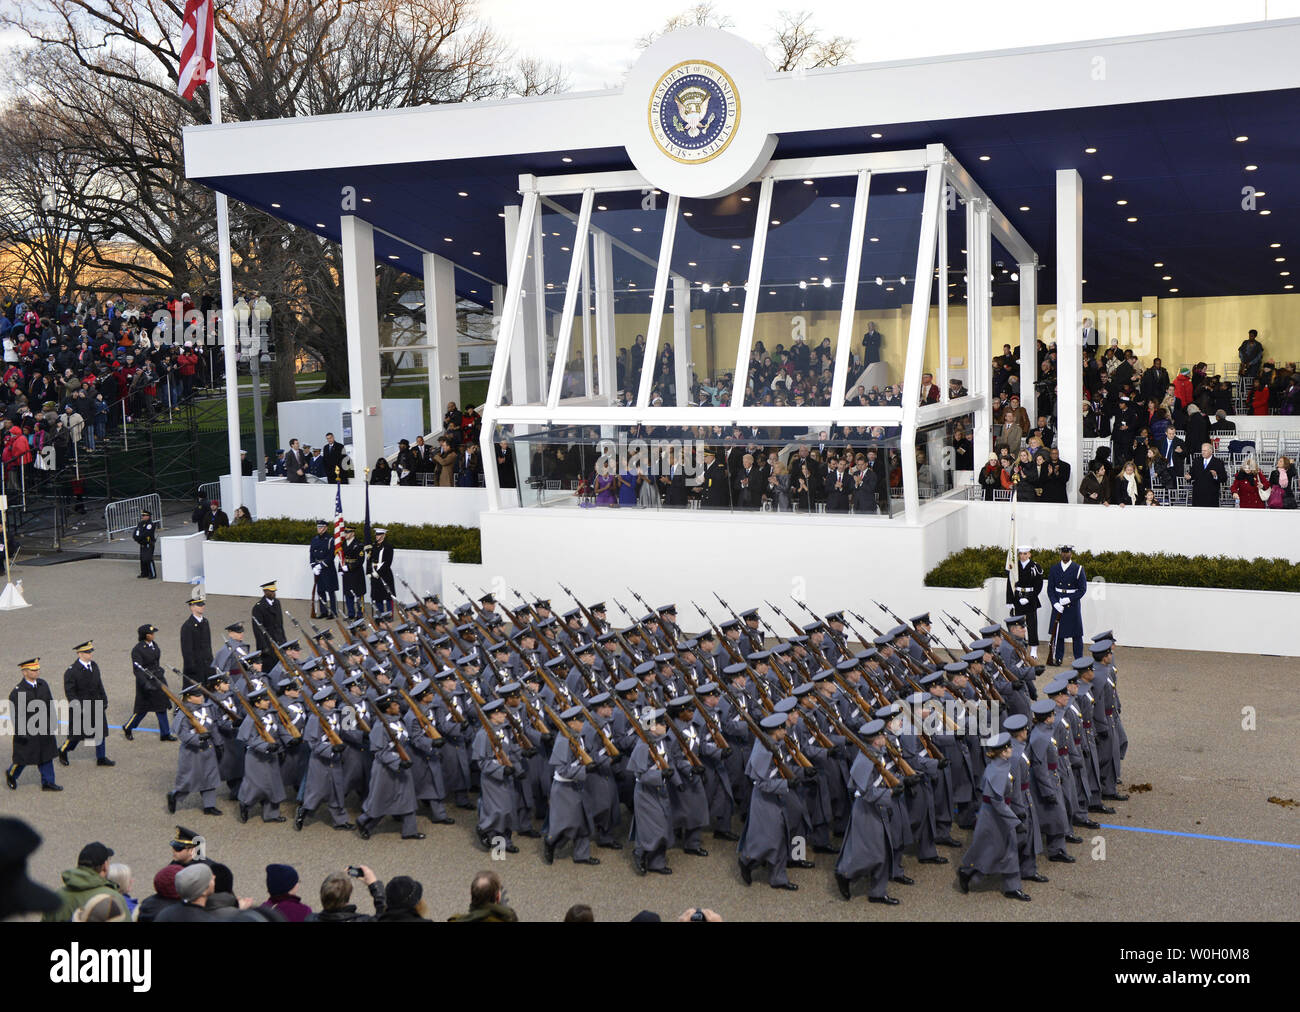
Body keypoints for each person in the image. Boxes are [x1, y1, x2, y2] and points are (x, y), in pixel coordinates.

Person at [956, 732, 1031, 901]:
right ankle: (968, 871)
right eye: (1009, 747)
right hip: (993, 817)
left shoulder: (1001, 765)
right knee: (988, 849)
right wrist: (1015, 821)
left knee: (1009, 848)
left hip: (1000, 814)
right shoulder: (996, 771)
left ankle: (1012, 886)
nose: (1012, 749)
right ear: (1003, 752)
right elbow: (997, 802)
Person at [833, 718, 900, 904]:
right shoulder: (865, 759)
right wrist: (892, 793)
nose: (885, 737)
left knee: (883, 851)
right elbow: (868, 792)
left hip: (879, 808)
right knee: (872, 852)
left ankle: (878, 892)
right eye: (882, 735)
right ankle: (846, 874)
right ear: (876, 740)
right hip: (867, 811)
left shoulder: (878, 753)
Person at [357, 692, 424, 840]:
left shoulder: (398, 721)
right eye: (394, 705)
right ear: (387, 709)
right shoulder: (380, 727)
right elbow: (379, 751)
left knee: (408, 798)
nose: (398, 706)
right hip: (385, 769)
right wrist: (397, 761)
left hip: (403, 765)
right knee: (381, 800)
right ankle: (364, 822)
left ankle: (409, 831)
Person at [168, 681, 225, 816]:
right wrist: (198, 739)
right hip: (192, 752)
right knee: (190, 779)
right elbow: (183, 734)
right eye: (197, 696)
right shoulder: (183, 714)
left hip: (208, 749)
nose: (201, 697)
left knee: (209, 777)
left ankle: (209, 806)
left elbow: (213, 727)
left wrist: (218, 743)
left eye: (201, 695)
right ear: (189, 698)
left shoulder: (208, 708)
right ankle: (175, 795)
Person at [236, 688, 291, 823]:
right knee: (256, 785)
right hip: (256, 757)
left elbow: (279, 730)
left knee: (273, 784)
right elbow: (249, 738)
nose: (268, 702)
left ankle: (271, 814)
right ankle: (245, 803)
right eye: (265, 700)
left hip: (272, 755)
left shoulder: (272, 714)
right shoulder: (251, 719)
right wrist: (265, 746)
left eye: (267, 699)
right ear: (257, 704)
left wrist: (287, 742)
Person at [6, 659, 61, 791]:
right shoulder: (17, 692)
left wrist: (53, 721)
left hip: (44, 728)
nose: (37, 672)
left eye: (37, 669)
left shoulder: (43, 684)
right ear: (25, 672)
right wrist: (22, 732)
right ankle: (11, 773)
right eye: (33, 670)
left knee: (46, 755)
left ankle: (48, 782)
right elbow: (17, 716)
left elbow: (49, 704)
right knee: (23, 758)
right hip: (28, 731)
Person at [58, 640, 113, 769]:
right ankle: (63, 750)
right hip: (82, 708)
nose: (90, 654)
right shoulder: (71, 671)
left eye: (90, 651)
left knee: (100, 732)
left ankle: (101, 757)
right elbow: (70, 692)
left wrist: (104, 699)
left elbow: (99, 684)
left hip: (96, 704)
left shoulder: (94, 666)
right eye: (87, 652)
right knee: (76, 735)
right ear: (80, 654)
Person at [124, 624, 175, 741]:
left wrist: (159, 671)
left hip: (157, 679)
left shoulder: (154, 646)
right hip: (146, 682)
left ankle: (165, 733)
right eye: (151, 634)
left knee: (161, 707)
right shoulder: (138, 650)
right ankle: (128, 727)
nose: (153, 635)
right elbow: (137, 669)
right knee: (142, 709)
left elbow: (156, 662)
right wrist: (145, 684)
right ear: (146, 636)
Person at [1046, 546, 1087, 666]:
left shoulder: (1078, 569)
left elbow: (1082, 589)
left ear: (1071, 554)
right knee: (1059, 633)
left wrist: (1069, 599)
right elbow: (1050, 589)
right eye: (1063, 552)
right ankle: (1058, 658)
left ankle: (1079, 659)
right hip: (1059, 604)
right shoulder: (1054, 569)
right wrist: (1055, 603)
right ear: (1060, 554)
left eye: (1067, 552)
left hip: (1072, 605)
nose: (1065, 555)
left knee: (1077, 634)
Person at [308, 866, 386, 921]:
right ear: (348, 897)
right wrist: (375, 886)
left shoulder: (310, 919)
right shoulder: (362, 920)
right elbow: (388, 916)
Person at [1005, 547, 1043, 656]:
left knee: (1032, 624)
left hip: (1030, 598)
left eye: (1025, 553)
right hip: (1018, 597)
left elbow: (1038, 586)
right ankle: (1021, 645)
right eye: (1020, 554)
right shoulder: (1014, 566)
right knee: (1018, 625)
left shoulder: (1035, 567)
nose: (1022, 556)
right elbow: (1010, 583)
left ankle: (1034, 648)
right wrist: (1010, 600)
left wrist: (1028, 598)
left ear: (1029, 554)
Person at [447, 870, 518, 922]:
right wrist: (505, 910)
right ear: (498, 897)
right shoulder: (508, 918)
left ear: (471, 894)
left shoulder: (456, 920)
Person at [179, 595, 213, 691]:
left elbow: (208, 644)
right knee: (194, 692)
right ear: (192, 607)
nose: (202, 606)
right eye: (199, 605)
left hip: (207, 663)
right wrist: (192, 667)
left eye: (202, 604)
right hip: (196, 665)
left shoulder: (205, 622)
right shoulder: (187, 626)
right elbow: (187, 650)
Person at [309, 519, 339, 618]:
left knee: (330, 590)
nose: (319, 529)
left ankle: (333, 612)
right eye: (318, 527)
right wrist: (313, 565)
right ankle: (324, 611)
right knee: (320, 590)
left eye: (321, 527)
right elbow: (311, 554)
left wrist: (321, 565)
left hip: (327, 568)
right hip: (317, 568)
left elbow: (331, 556)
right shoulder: (314, 539)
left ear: (326, 528)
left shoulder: (330, 540)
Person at [251, 580, 285, 656]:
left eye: (274, 591)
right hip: (268, 643)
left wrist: (284, 640)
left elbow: (280, 624)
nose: (274, 593)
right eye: (271, 591)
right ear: (265, 591)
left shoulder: (277, 603)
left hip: (279, 641)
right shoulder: (258, 607)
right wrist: (264, 647)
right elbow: (258, 630)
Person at [368, 528, 395, 619]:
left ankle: (389, 614)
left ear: (383, 535)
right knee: (377, 596)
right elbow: (369, 559)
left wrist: (379, 572)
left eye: (379, 535)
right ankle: (380, 614)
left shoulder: (388, 546)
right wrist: (368, 572)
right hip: (374, 573)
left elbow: (388, 562)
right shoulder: (373, 546)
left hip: (385, 574)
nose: (377, 537)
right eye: (376, 535)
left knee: (388, 595)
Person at [1189, 442, 1227, 507]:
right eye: (1202, 450)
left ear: (1211, 451)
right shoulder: (1196, 461)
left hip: (1211, 496)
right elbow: (1192, 474)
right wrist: (1189, 477)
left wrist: (1216, 476)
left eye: (1205, 451)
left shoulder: (1218, 462)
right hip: (1198, 495)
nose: (1203, 452)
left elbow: (1224, 478)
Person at [132, 508, 158, 578]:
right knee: (142, 559)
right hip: (142, 543)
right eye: (142, 515)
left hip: (148, 543)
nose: (142, 517)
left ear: (148, 516)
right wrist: (136, 538)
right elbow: (136, 532)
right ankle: (144, 573)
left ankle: (152, 574)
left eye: (144, 515)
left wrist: (139, 537)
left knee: (148, 559)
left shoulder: (150, 524)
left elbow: (146, 534)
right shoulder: (140, 523)